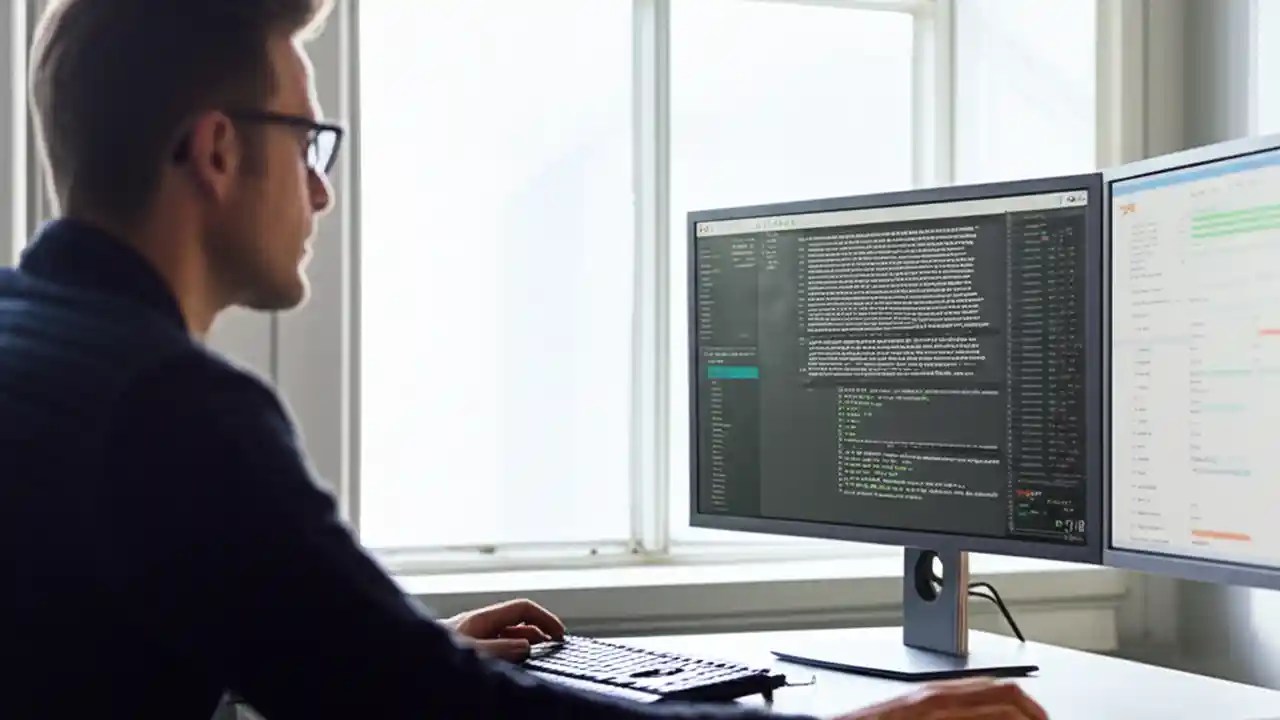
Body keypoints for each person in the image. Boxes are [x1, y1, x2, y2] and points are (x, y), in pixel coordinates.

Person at [0, 1, 1049, 719]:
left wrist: (389, 643)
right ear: (217, 151)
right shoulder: (170, 408)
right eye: (309, 143)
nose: (320, 192)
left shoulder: (35, 343)